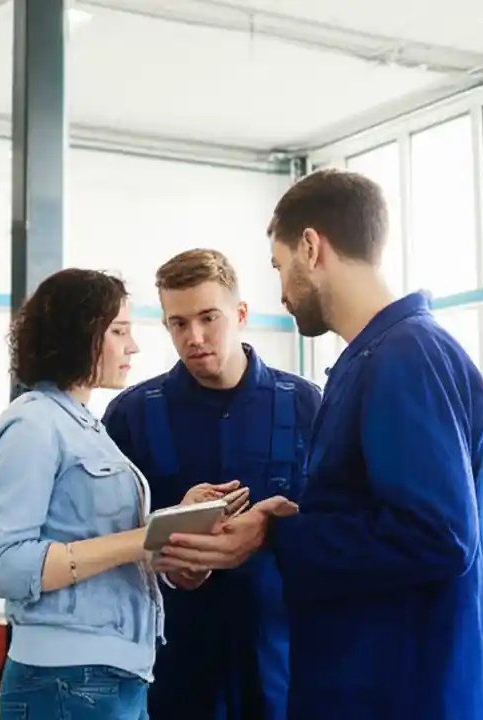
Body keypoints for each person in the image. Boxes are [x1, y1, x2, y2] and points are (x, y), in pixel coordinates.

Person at [157, 169, 483, 720]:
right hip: (358, 677)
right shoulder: (369, 360)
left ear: (310, 248)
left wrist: (277, 533)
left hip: (395, 690)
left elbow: (437, 536)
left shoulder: (407, 357)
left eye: (278, 267)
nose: (282, 291)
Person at [0, 268, 240, 719]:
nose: (132, 346)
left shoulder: (84, 426)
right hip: (65, 679)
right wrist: (142, 538)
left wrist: (172, 530)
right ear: (81, 335)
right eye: (119, 331)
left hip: (115, 674)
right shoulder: (33, 424)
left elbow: (98, 544)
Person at [102, 249, 321, 720]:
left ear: (240, 315)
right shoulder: (131, 416)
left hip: (280, 658)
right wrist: (162, 564)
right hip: (173, 662)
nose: (194, 337)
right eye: (178, 323)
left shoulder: (306, 406)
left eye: (208, 318)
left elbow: (333, 521)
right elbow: (107, 540)